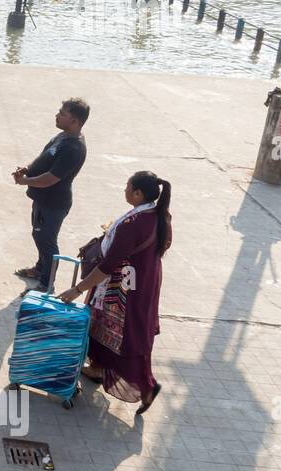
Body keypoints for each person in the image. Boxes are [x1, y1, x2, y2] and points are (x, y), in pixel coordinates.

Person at [58, 171, 172, 415]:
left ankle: (146, 387)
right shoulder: (157, 215)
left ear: (138, 193)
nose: (124, 190)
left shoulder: (133, 224)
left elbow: (107, 265)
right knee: (100, 324)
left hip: (123, 289)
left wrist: (77, 289)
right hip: (141, 282)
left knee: (128, 336)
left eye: (128, 187)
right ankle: (98, 368)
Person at [13, 98, 89, 287]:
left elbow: (51, 178)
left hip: (53, 204)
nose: (57, 115)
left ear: (74, 121)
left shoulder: (74, 148)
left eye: (62, 114)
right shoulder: (63, 136)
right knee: (38, 236)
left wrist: (25, 181)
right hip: (43, 200)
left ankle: (47, 283)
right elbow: (44, 158)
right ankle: (40, 268)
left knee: (47, 241)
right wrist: (27, 169)